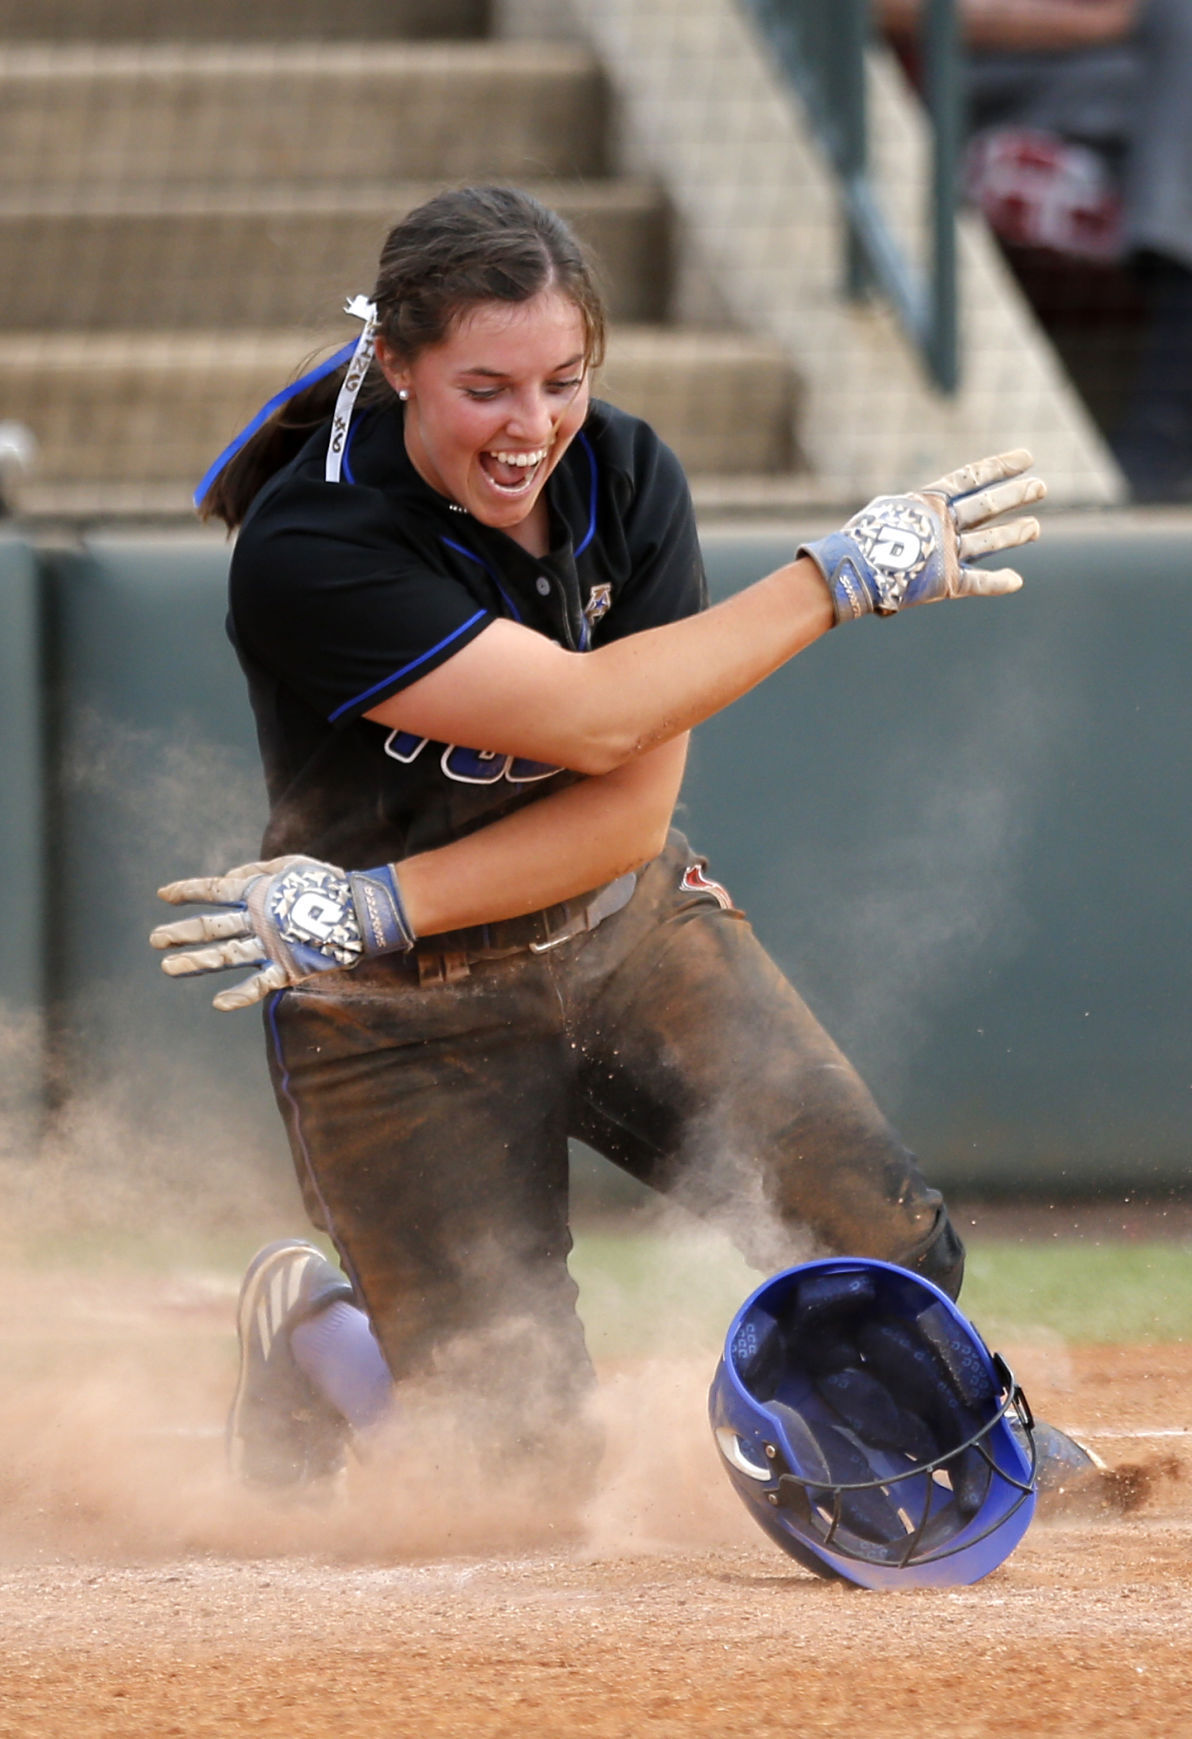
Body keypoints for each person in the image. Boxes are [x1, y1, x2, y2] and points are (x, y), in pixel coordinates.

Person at [149, 185, 1046, 1499]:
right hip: (399, 1018)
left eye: (563, 379)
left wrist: (383, 893)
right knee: (512, 1468)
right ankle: (312, 1327)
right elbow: (591, 712)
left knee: (888, 1248)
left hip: (625, 934)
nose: (534, 426)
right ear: (394, 365)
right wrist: (832, 579)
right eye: (487, 387)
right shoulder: (311, 541)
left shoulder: (623, 472)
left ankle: (914, 1445)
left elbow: (625, 806)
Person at [881, 0, 1192, 502]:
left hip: (1139, 86)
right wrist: (1094, 23)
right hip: (1001, 82)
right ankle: (1167, 411)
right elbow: (867, 12)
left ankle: (1164, 424)